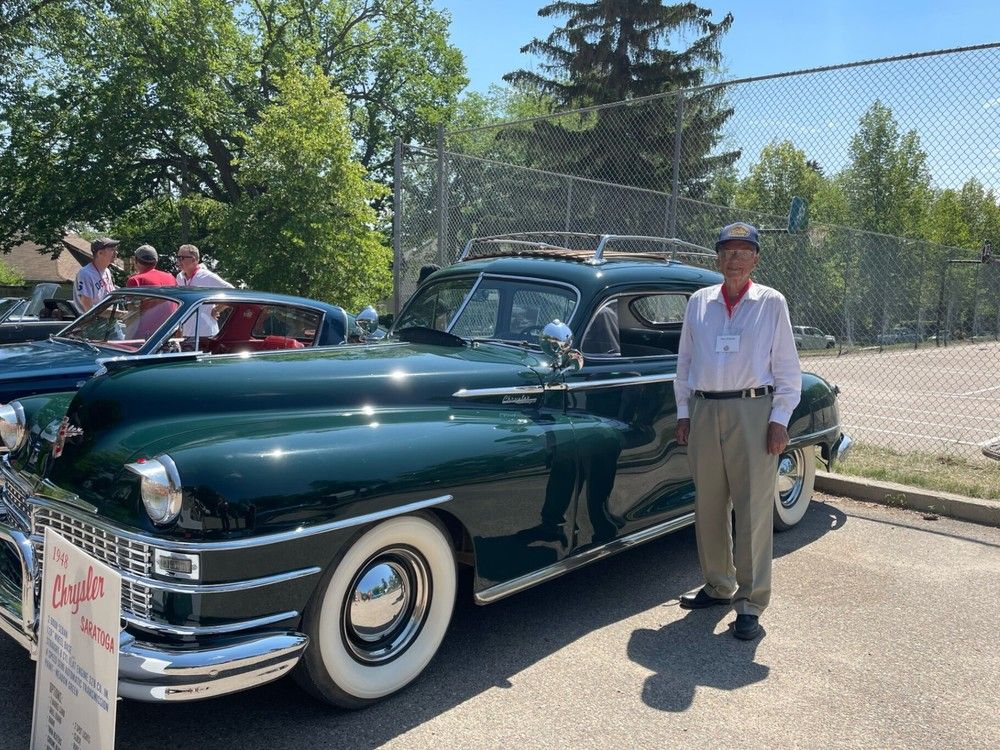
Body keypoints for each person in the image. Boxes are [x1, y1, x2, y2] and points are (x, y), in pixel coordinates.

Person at [673, 222, 801, 641]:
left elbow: (786, 367)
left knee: (752, 509)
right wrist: (683, 412)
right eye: (728, 250)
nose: (735, 258)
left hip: (753, 410)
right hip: (705, 408)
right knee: (708, 505)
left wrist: (779, 418)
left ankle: (750, 602)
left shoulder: (771, 303)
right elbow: (685, 363)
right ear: (718, 257)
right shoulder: (699, 302)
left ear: (756, 259)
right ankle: (718, 584)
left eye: (744, 251)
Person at [175, 244, 233, 338]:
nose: (178, 261)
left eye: (181, 258)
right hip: (186, 335)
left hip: (206, 334)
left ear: (193, 259)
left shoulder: (206, 276)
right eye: (177, 257)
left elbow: (232, 291)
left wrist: (217, 309)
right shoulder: (180, 277)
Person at [74, 237, 119, 311]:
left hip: (109, 319)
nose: (116, 253)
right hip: (92, 321)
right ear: (100, 253)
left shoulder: (107, 271)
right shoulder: (85, 274)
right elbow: (88, 307)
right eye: (112, 250)